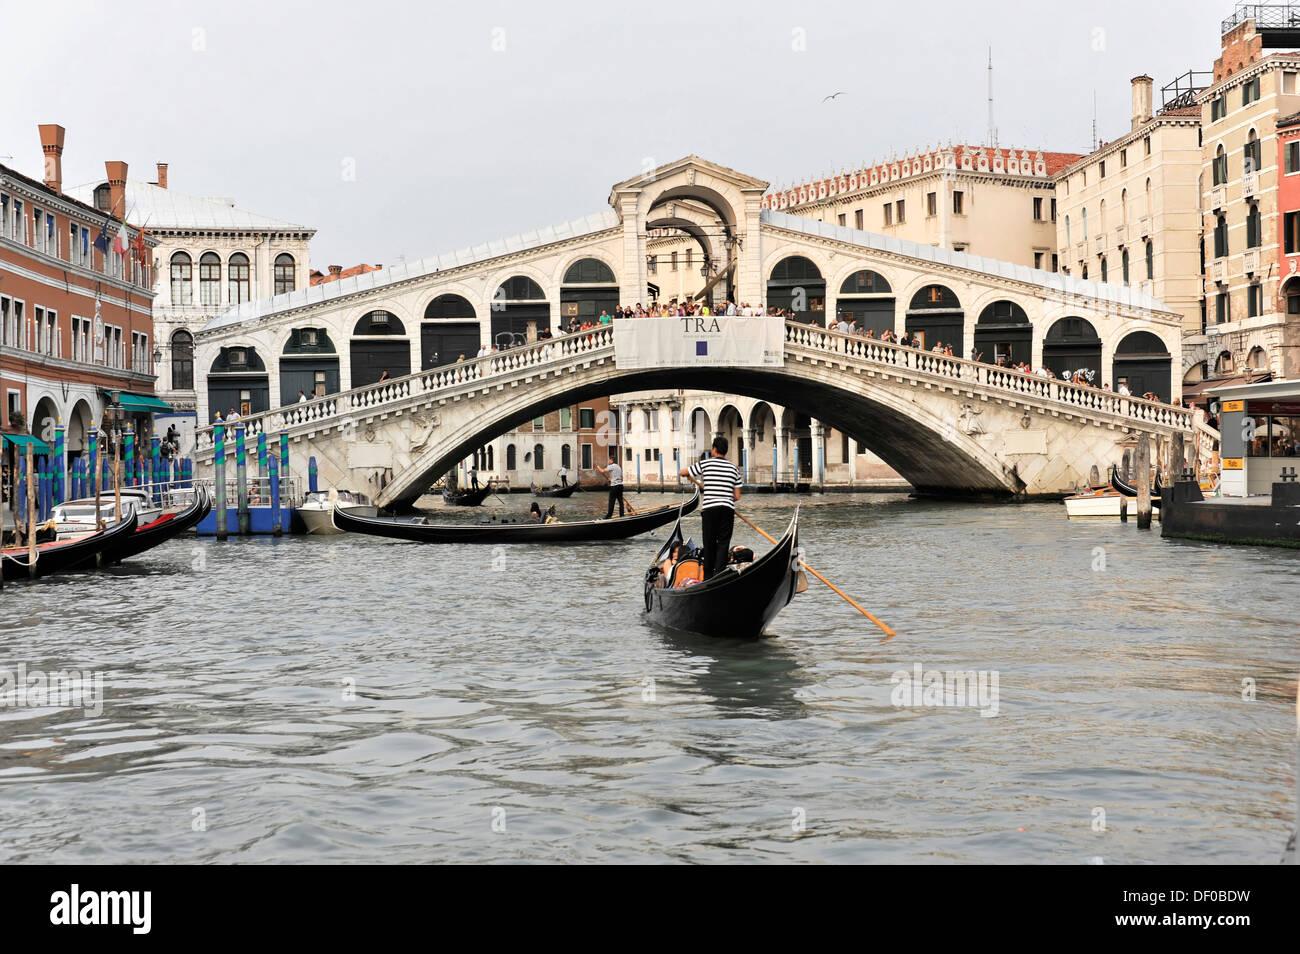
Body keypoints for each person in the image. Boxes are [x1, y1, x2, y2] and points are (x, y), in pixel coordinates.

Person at [681, 436, 742, 580]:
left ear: (714, 449)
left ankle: (708, 576)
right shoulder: (734, 468)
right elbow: (737, 496)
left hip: (710, 509)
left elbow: (682, 472)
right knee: (723, 543)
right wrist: (725, 497)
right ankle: (719, 574)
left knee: (709, 542)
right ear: (725, 451)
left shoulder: (705, 464)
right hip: (727, 509)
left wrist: (690, 476)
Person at [596, 453, 624, 518]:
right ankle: (622, 515)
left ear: (611, 460)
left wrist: (598, 467)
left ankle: (609, 515)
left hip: (614, 486)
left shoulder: (611, 466)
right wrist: (610, 479)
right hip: (620, 485)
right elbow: (620, 477)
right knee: (620, 501)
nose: (608, 461)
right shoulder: (619, 467)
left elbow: (602, 471)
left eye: (609, 460)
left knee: (611, 501)